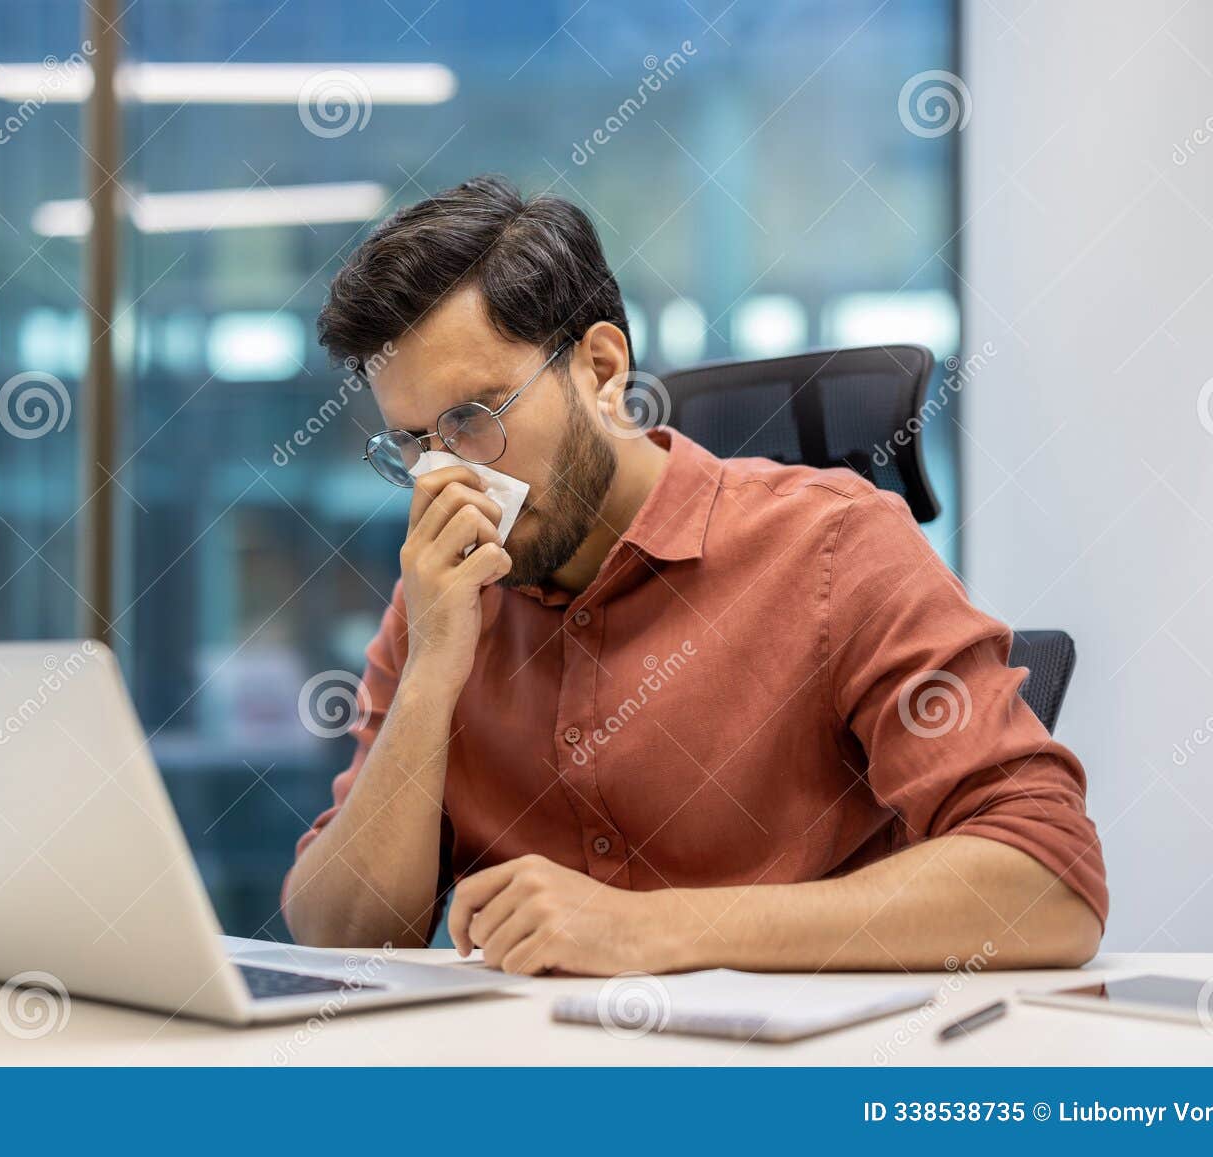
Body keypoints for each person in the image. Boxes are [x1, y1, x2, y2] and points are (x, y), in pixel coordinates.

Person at [283, 175, 1106, 976]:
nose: (445, 477)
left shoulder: (834, 543)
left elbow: (1050, 880)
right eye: (412, 442)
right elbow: (337, 939)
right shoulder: (440, 600)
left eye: (473, 419)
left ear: (603, 371)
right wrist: (429, 676)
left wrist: (655, 928)